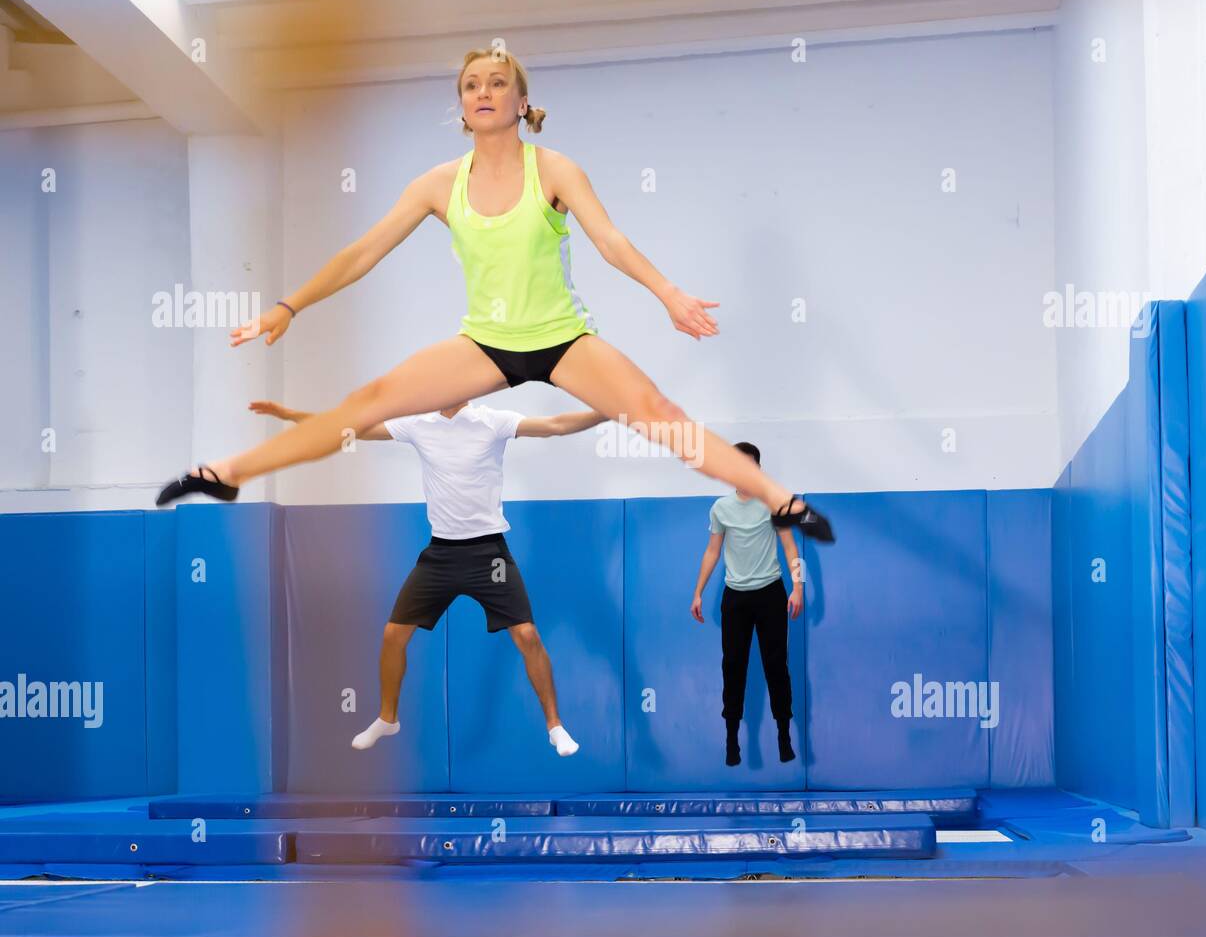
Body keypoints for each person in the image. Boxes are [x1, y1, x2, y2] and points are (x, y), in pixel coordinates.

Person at [155, 45, 834, 548]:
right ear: (461, 106)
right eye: (471, 85)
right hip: (484, 344)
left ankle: (779, 499)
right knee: (363, 403)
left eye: (497, 82)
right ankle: (229, 471)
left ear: (520, 102)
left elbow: (611, 240)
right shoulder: (437, 184)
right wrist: (288, 305)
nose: (483, 91)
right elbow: (362, 252)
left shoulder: (555, 168)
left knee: (657, 412)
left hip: (564, 339)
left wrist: (668, 293)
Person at [249, 397, 605, 756]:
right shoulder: (418, 425)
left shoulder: (492, 421)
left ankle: (555, 726)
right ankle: (387, 718)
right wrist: (292, 413)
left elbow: (555, 424)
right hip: (441, 555)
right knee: (393, 635)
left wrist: (606, 410)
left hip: (488, 554)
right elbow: (354, 427)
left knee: (527, 634)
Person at [690, 442, 803, 767]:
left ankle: (783, 734)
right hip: (735, 598)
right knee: (733, 667)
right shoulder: (721, 508)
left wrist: (797, 587)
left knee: (776, 666)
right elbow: (712, 551)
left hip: (770, 593)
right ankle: (732, 738)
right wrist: (698, 591)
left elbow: (790, 547)